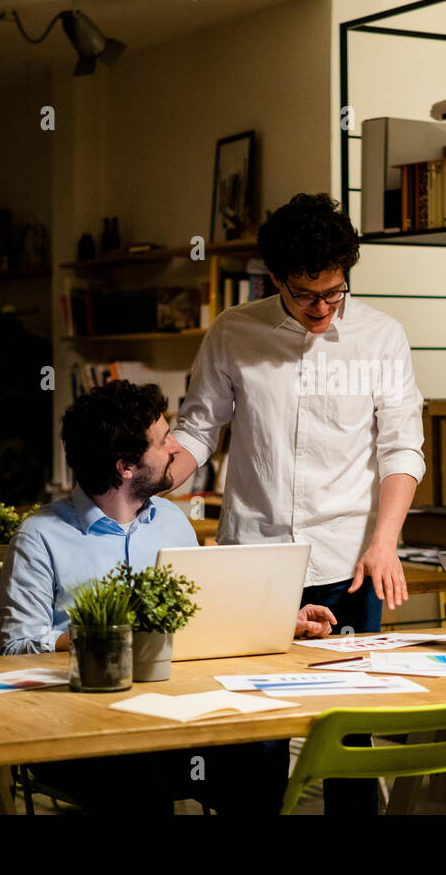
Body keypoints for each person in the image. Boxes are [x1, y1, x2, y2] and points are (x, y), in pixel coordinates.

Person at [169, 193, 426, 813]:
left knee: (349, 741)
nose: (321, 307)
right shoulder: (235, 331)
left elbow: (402, 449)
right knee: (250, 736)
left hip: (351, 563)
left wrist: (385, 542)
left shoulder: (381, 338)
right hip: (254, 563)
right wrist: (149, 475)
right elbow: (199, 431)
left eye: (333, 292)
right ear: (276, 278)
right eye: (305, 293)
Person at [0, 380, 334, 813]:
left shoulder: (173, 521)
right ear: (125, 466)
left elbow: (198, 617)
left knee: (261, 745)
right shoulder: (39, 536)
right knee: (136, 771)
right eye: (162, 440)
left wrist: (272, 617)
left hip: (178, 717)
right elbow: (16, 648)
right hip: (84, 730)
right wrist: (111, 636)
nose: (177, 447)